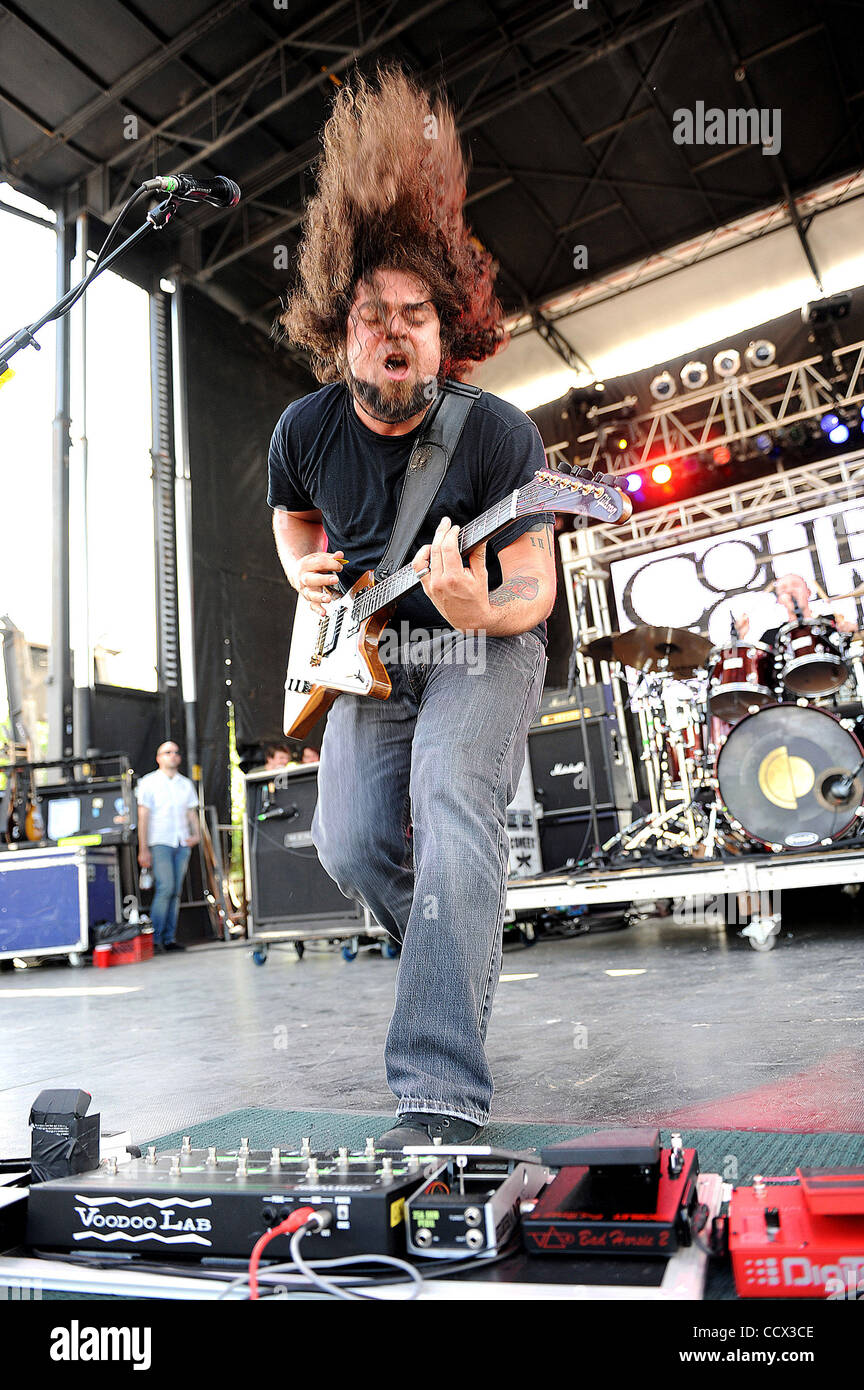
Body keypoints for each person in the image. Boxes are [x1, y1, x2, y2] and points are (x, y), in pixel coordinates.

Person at [268, 67, 554, 1149]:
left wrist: (478, 609)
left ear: (448, 332)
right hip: (373, 654)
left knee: (446, 794)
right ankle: (458, 942)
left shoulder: (496, 433)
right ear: (341, 331)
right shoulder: (302, 431)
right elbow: (293, 519)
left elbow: (535, 584)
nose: (393, 330)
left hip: (482, 645)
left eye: (416, 315)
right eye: (372, 315)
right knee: (344, 841)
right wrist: (303, 569)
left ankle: (438, 1092)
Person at [136, 743, 199, 954]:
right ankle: (154, 939)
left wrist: (196, 834)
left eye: (175, 753)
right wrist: (143, 848)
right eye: (167, 753)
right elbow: (143, 816)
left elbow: (191, 813)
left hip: (181, 841)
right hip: (160, 841)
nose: (172, 756)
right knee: (166, 888)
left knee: (175, 891)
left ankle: (169, 938)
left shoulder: (185, 784)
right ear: (158, 758)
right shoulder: (149, 782)